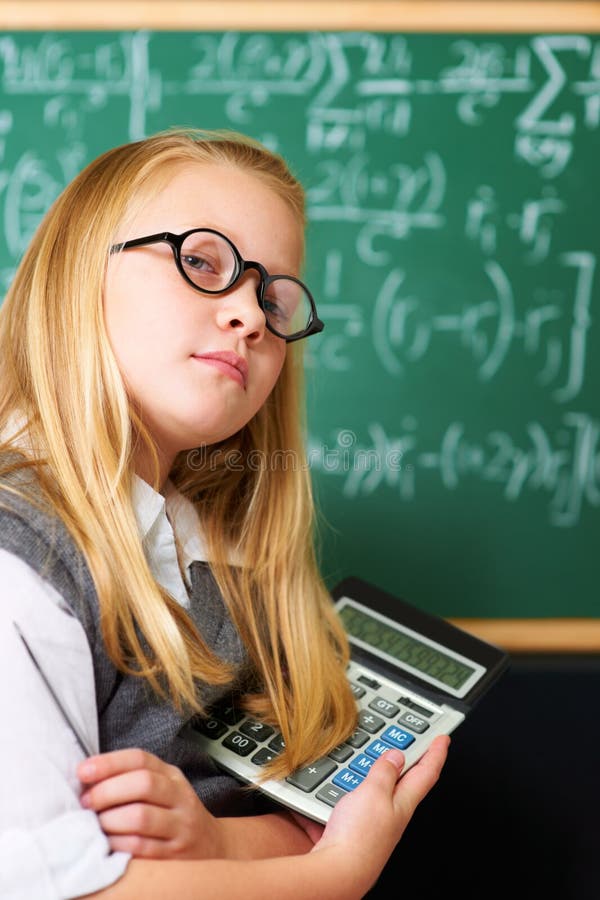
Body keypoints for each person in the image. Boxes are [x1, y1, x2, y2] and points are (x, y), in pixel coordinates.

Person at [0, 128, 449, 900]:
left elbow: (298, 817)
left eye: (274, 299)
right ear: (79, 273)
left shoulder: (205, 546)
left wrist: (216, 839)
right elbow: (61, 889)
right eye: (202, 262)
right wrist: (339, 875)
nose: (248, 315)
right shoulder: (20, 562)